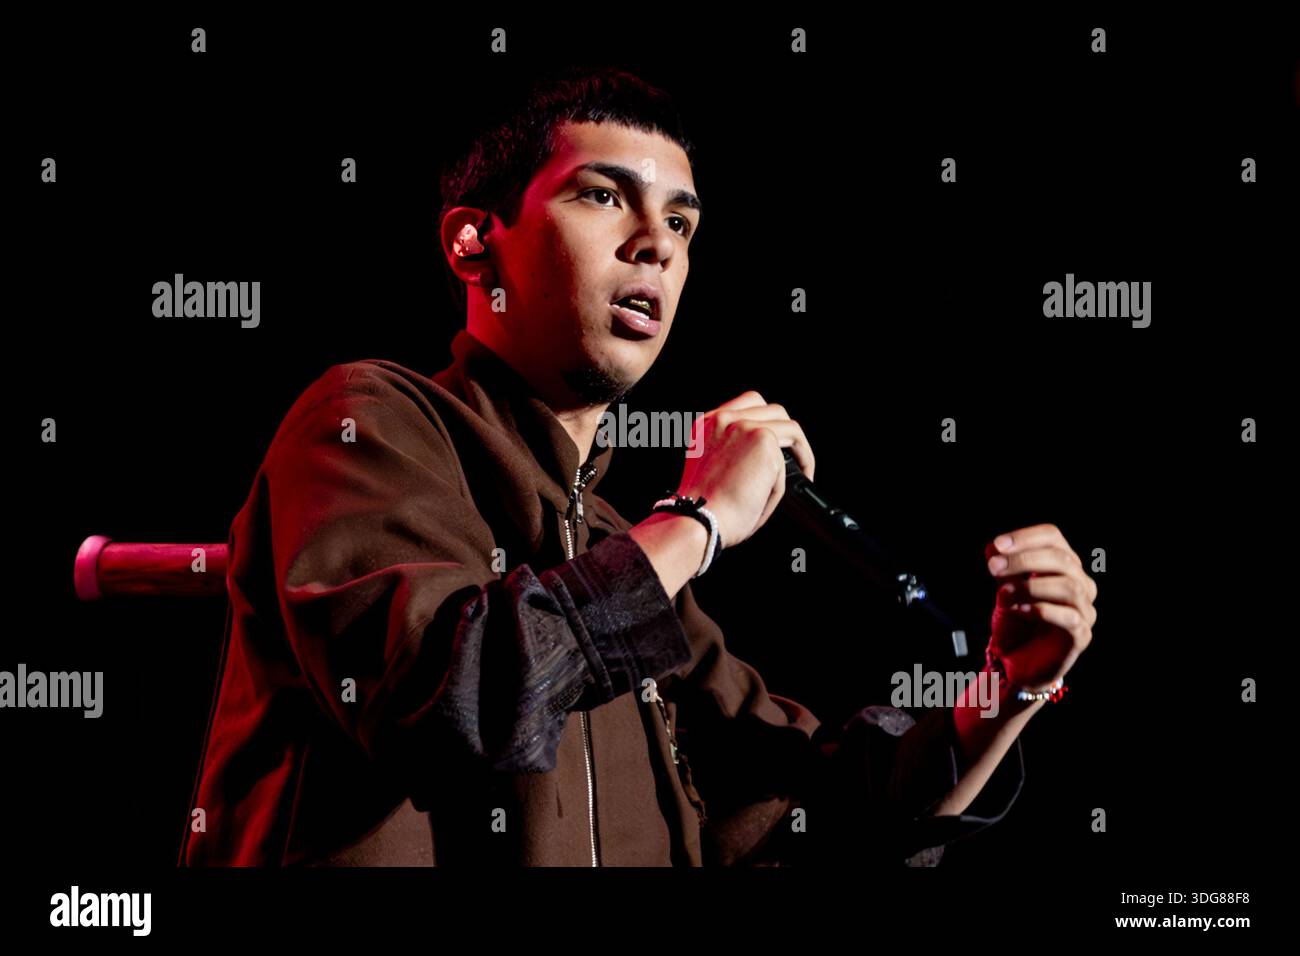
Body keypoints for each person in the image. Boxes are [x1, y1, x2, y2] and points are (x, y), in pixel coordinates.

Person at [180, 66, 1097, 867]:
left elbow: (804, 817)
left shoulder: (624, 549)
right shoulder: (364, 421)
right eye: (603, 196)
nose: (657, 242)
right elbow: (458, 700)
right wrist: (698, 520)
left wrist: (1006, 689)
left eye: (682, 221)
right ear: (473, 241)